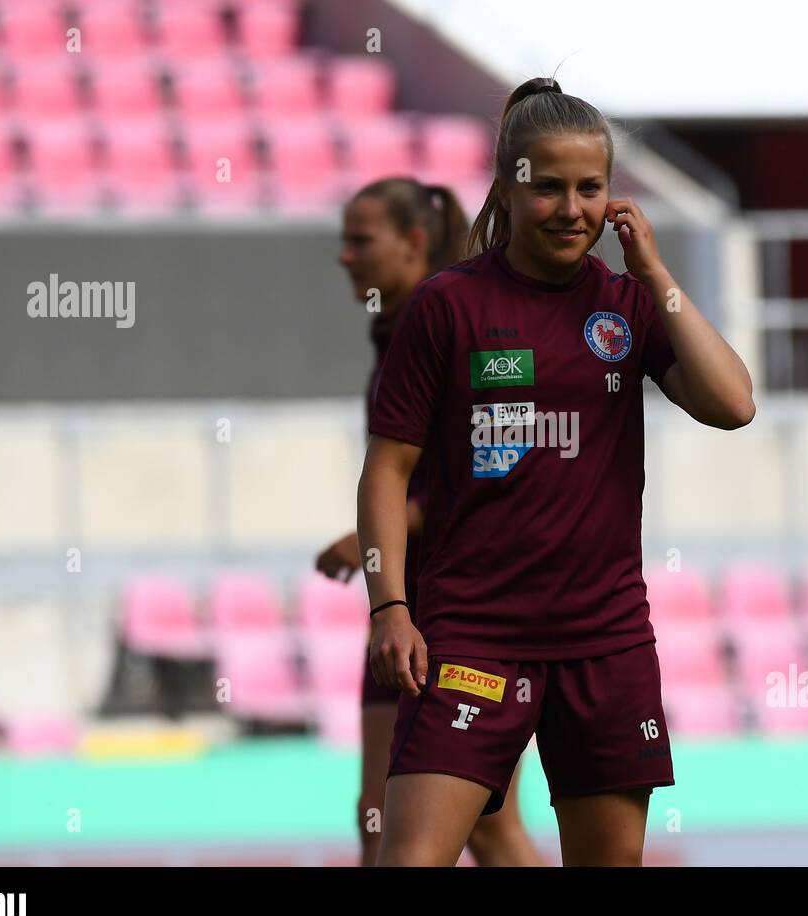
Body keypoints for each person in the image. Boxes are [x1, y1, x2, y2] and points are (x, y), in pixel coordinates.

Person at [358, 78, 756, 867]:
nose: (572, 208)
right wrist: (390, 608)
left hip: (603, 642)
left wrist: (656, 276)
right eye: (548, 189)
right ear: (508, 187)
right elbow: (385, 472)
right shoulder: (446, 308)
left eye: (590, 187)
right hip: (471, 636)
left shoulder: (626, 305)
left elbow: (734, 403)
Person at [316, 177, 542, 867]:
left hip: (467, 608)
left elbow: (504, 461)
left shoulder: (462, 323)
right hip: (402, 612)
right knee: (380, 815)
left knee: (486, 823)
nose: (344, 257)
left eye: (361, 240)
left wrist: (384, 531)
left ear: (414, 243)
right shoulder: (394, 331)